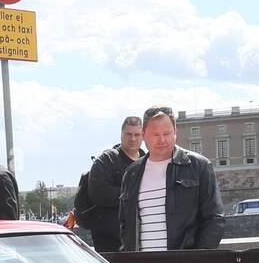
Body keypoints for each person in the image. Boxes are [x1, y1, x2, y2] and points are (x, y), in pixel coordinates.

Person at [118, 105, 225, 251]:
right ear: (143, 134)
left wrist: (198, 260)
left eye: (167, 133)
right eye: (155, 135)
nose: (161, 140)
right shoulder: (131, 173)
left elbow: (215, 219)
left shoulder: (199, 166)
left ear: (175, 132)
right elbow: (125, 225)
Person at [85, 116, 145, 251]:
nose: (133, 139)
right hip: (109, 240)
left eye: (137, 135)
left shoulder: (148, 163)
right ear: (121, 135)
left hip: (140, 238)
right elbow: (98, 193)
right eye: (128, 134)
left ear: (143, 136)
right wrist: (134, 194)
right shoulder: (107, 160)